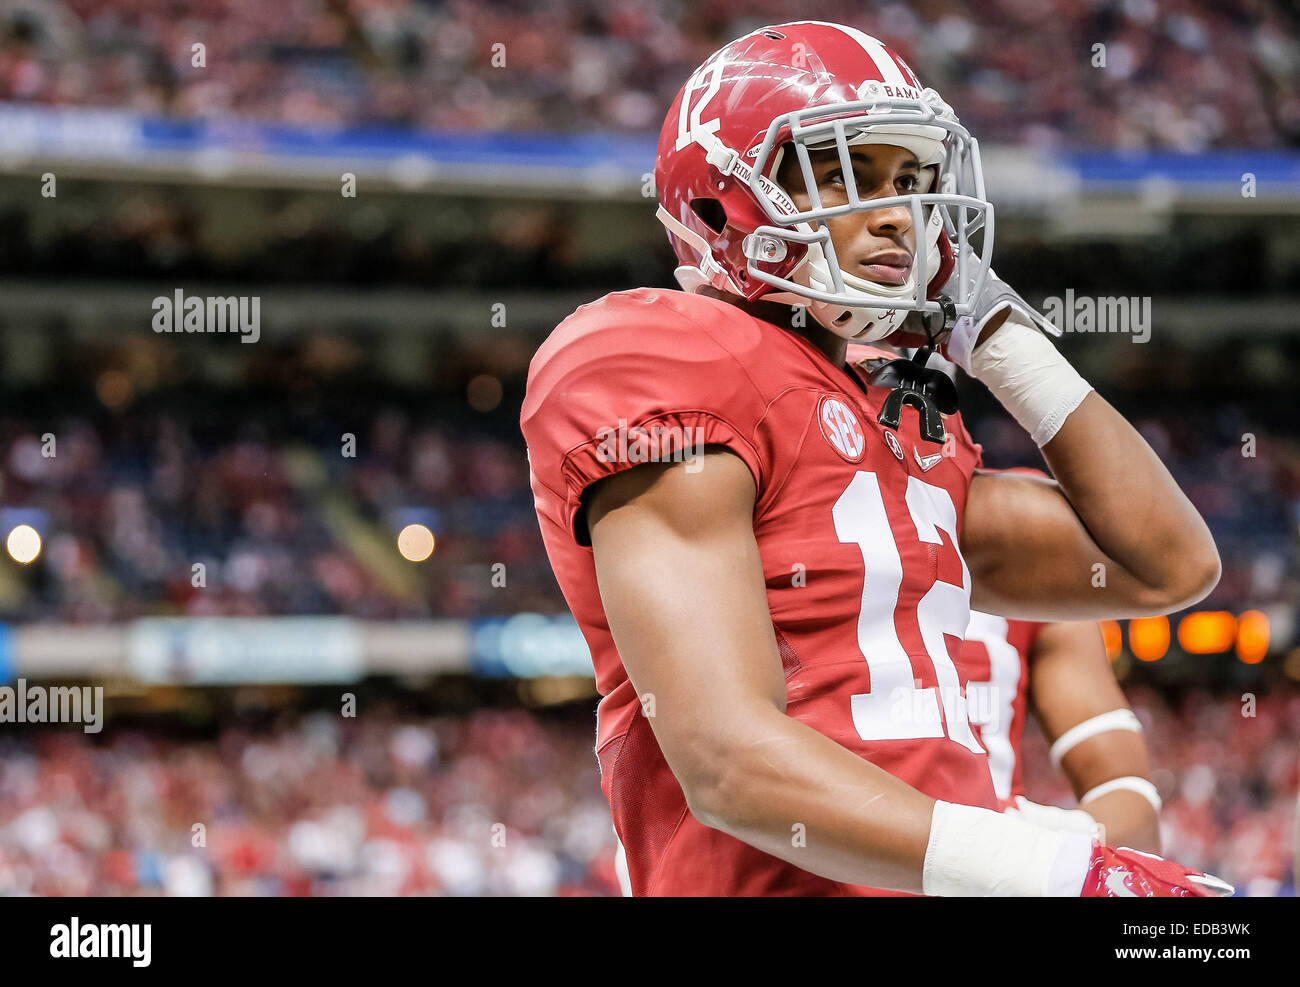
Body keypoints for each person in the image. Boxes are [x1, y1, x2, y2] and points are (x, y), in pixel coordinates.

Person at [521, 21, 1228, 896]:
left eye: (908, 180)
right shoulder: (656, 353)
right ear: (725, 198)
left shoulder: (902, 419)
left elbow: (1166, 565)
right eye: (845, 173)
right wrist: (1053, 870)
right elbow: (727, 762)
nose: (898, 212)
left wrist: (1000, 335)